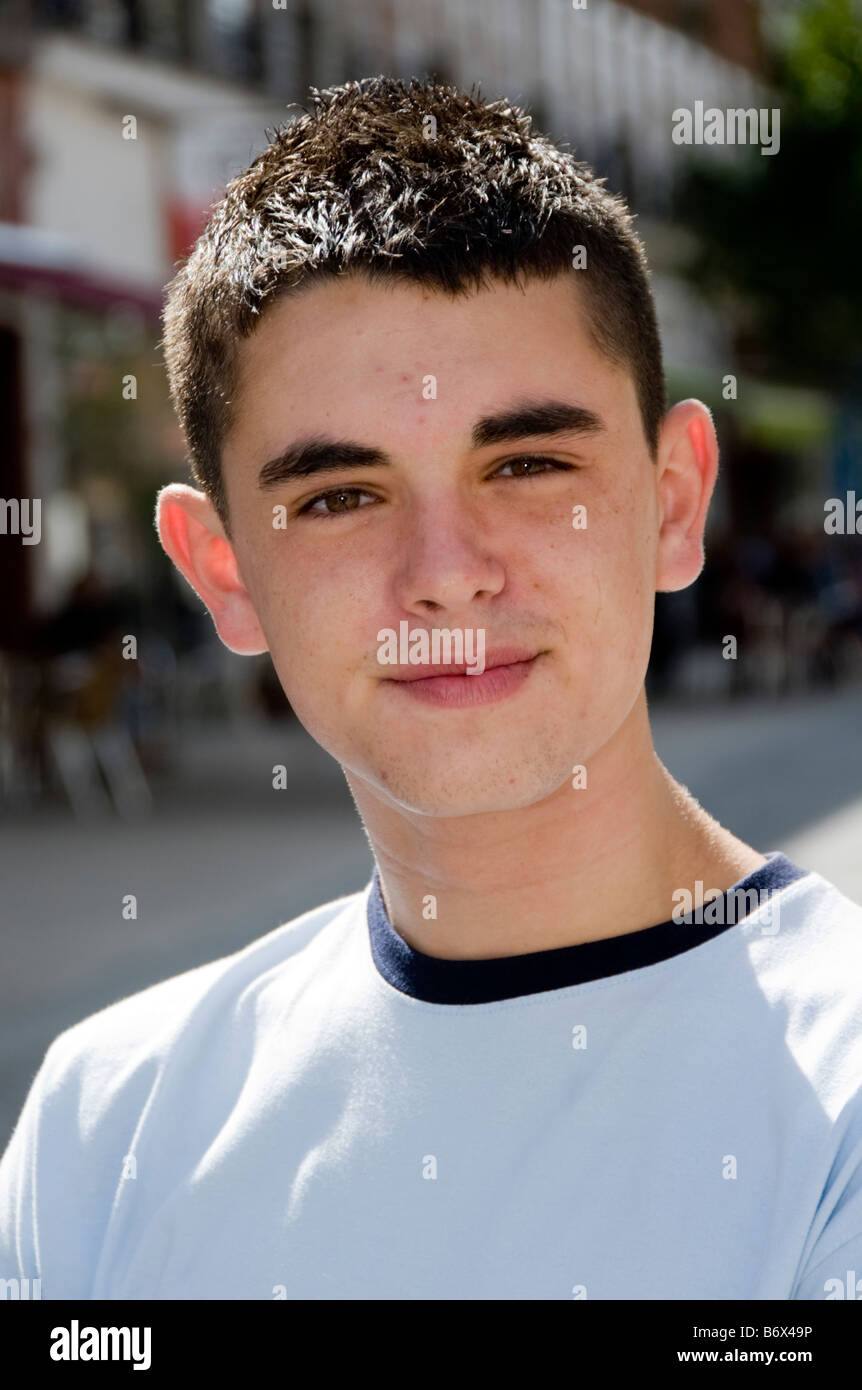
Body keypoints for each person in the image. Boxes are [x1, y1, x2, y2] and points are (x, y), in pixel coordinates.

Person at [2, 76, 861, 1301]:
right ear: (223, 572)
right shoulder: (102, 1128)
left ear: (674, 504)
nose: (447, 577)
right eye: (341, 495)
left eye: (527, 462)